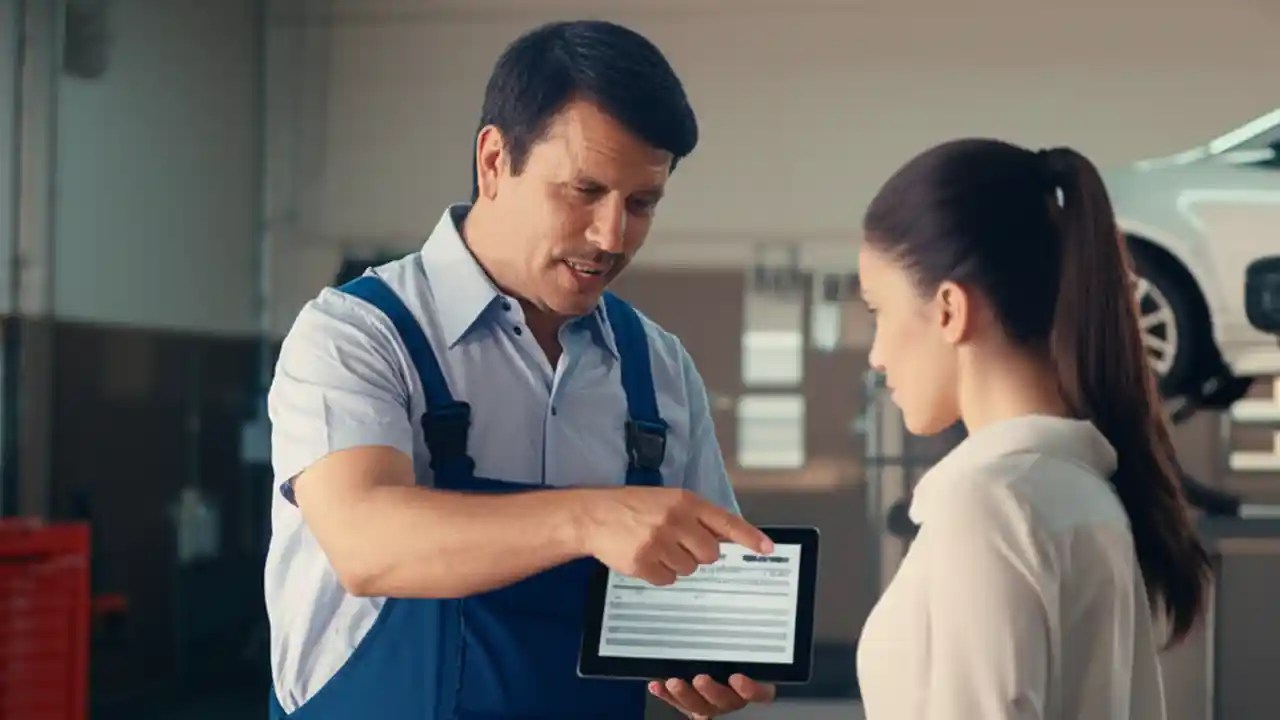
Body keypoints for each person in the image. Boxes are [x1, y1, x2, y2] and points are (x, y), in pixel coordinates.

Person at [263, 19, 777, 720]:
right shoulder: (355, 335)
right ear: (494, 161)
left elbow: (699, 581)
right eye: (584, 191)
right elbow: (366, 542)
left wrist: (714, 655)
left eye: (641, 203)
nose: (611, 236)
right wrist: (589, 519)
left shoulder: (658, 369)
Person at [853, 139, 1211, 719]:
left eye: (879, 311)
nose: (876, 354)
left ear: (949, 308)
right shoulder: (1078, 493)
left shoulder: (990, 506)